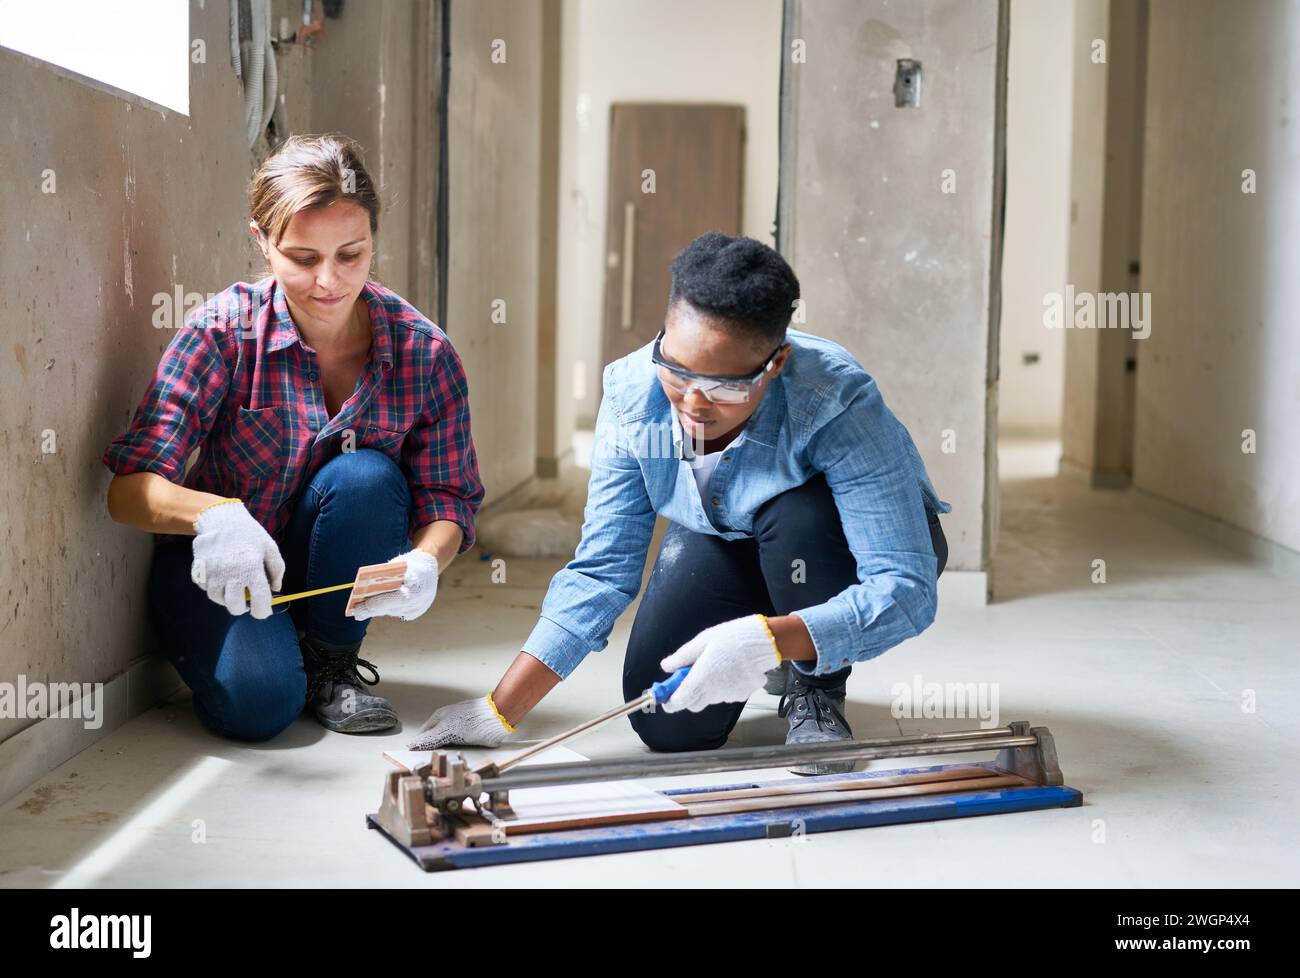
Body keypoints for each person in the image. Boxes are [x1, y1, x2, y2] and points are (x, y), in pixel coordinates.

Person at [411, 231, 947, 774]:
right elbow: (602, 570)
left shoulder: (834, 398)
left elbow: (904, 587)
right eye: (677, 370)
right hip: (727, 536)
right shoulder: (631, 395)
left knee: (796, 512)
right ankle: (784, 636)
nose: (694, 404)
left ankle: (816, 683)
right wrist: (500, 710)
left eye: (724, 387)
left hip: (827, 545)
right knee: (667, 723)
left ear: (776, 362)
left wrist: (769, 639)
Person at [103, 134, 483, 740]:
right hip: (221, 568)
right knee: (261, 708)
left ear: (372, 241)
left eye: (351, 255)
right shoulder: (222, 331)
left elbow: (449, 499)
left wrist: (425, 560)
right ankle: (281, 664)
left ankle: (330, 660)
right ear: (263, 242)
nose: (329, 281)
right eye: (303, 259)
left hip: (327, 578)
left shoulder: (423, 352)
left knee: (366, 475)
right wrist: (216, 516)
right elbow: (128, 491)